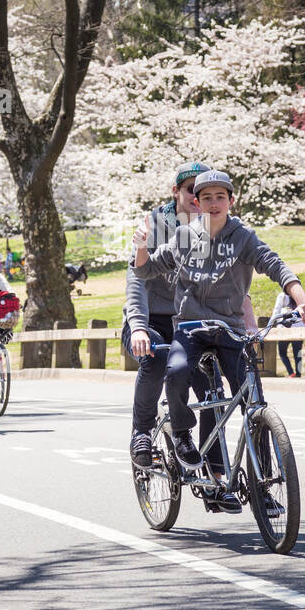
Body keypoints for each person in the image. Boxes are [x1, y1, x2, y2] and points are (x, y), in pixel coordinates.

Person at [135, 170, 305, 511]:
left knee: (253, 404)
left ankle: (263, 490)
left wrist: (301, 299)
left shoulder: (243, 236)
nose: (214, 203)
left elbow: (275, 266)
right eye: (206, 198)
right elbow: (146, 271)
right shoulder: (185, 236)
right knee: (176, 371)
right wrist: (142, 244)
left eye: (220, 197)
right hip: (189, 328)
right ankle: (183, 434)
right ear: (197, 203)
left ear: (231, 201)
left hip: (230, 329)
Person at [122, 161, 219, 474]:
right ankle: (142, 433)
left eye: (203, 192)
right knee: (154, 356)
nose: (197, 197)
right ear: (176, 192)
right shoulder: (152, 224)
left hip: (189, 322)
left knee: (212, 389)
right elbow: (136, 279)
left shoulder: (217, 226)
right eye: (191, 189)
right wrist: (138, 327)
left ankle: (215, 472)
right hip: (150, 319)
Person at [271, 290, 305, 377]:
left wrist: (271, 323)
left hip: (284, 330)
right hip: (298, 329)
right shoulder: (300, 296)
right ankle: (298, 373)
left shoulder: (282, 296)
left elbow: (276, 311)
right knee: (297, 353)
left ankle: (291, 372)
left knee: (282, 352)